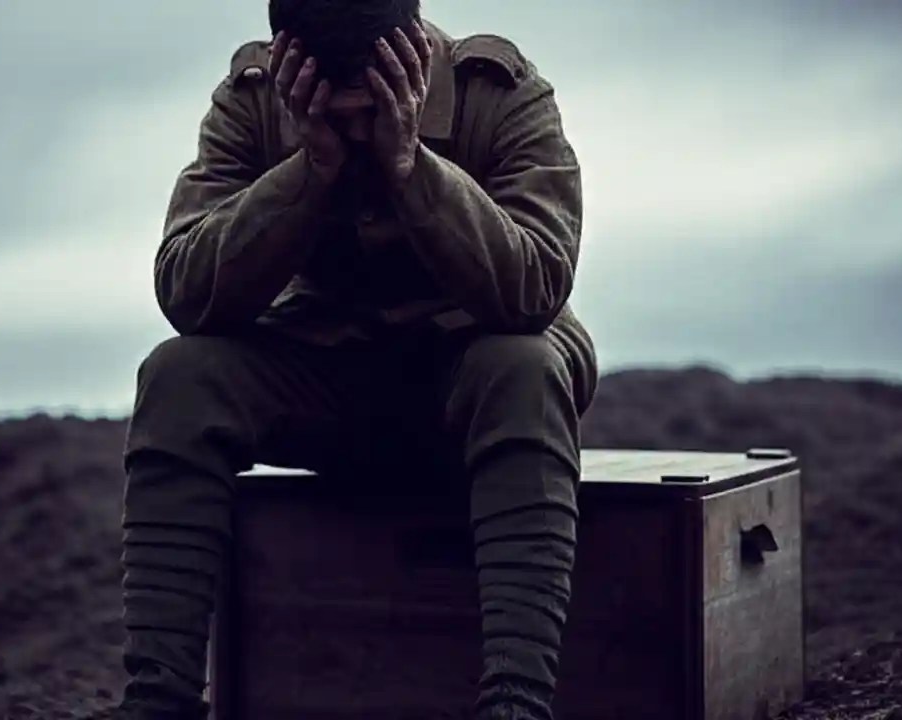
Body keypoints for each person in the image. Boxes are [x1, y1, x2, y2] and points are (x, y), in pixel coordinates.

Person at [111, 1, 598, 718]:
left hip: (466, 382)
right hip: (325, 378)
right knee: (178, 375)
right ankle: (159, 702)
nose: (353, 121)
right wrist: (311, 169)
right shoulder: (251, 103)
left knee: (524, 368)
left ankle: (516, 703)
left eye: (366, 103)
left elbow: (535, 289)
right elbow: (185, 290)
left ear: (413, 54)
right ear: (287, 66)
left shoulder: (501, 95)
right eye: (332, 107)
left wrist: (411, 166)